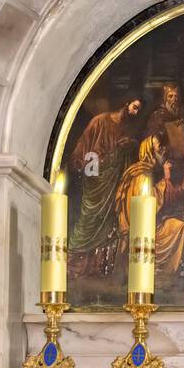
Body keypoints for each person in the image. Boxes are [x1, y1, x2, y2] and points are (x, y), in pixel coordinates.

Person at [68, 97, 144, 276]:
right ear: (125, 103)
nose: (135, 112)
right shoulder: (100, 121)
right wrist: (105, 159)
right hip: (96, 183)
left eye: (139, 110)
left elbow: (129, 157)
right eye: (134, 107)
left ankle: (96, 268)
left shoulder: (127, 129)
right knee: (88, 220)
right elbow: (83, 152)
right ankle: (72, 264)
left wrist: (130, 145)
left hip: (114, 185)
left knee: (109, 223)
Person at [115, 136, 184, 275]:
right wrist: (166, 179)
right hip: (142, 230)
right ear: (150, 152)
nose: (163, 150)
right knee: (180, 226)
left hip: (143, 224)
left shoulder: (141, 171)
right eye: (159, 148)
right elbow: (150, 203)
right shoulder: (143, 174)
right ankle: (159, 267)